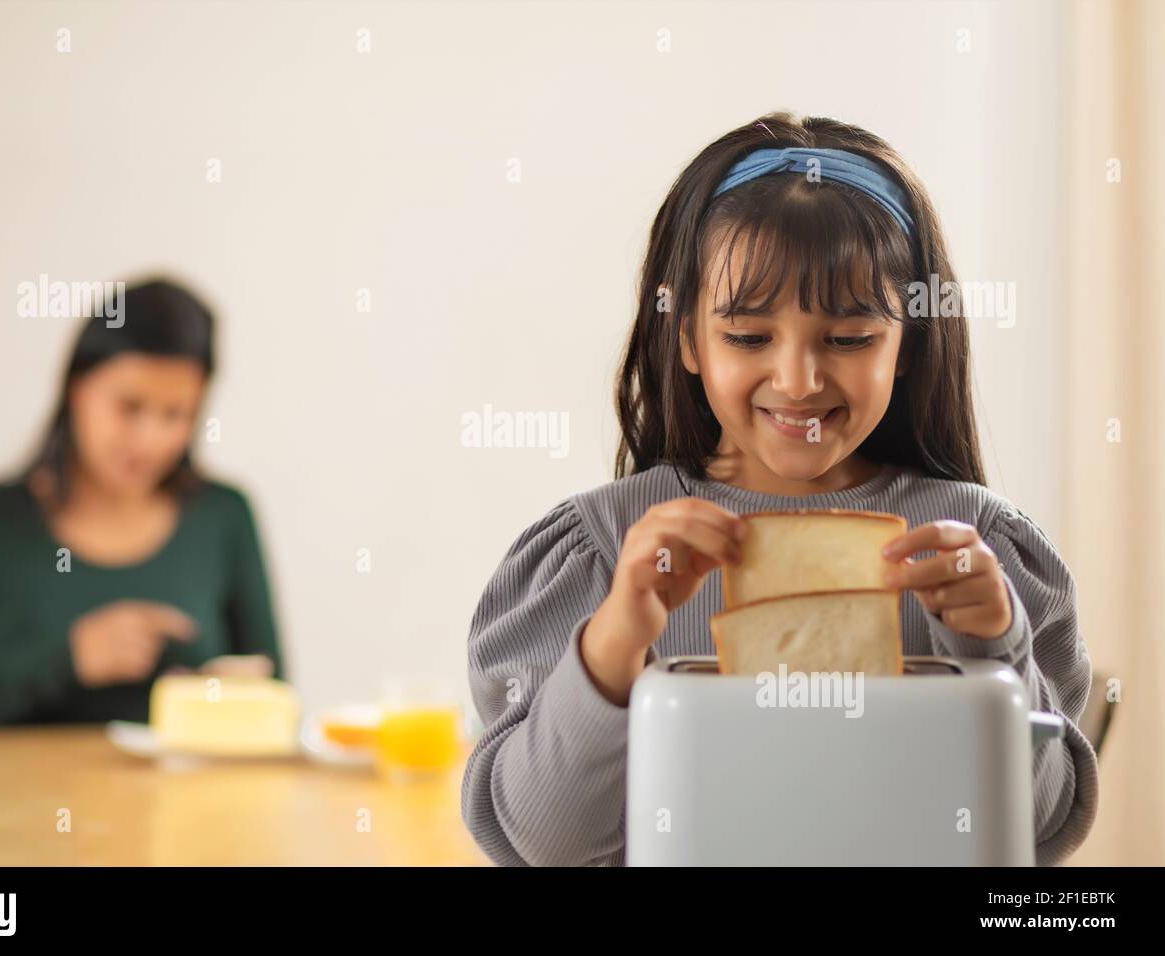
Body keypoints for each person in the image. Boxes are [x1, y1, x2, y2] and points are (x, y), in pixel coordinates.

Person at [461, 113, 1097, 866]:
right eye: (749, 337)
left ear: (909, 341)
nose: (798, 380)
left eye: (851, 338)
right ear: (689, 337)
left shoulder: (982, 556)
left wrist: (995, 646)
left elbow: (1035, 831)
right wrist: (615, 641)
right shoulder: (598, 554)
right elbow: (547, 843)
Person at [0, 279, 283, 728]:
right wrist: (67, 662)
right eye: (129, 406)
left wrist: (220, 693)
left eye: (176, 414)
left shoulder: (225, 516)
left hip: (190, 798)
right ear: (77, 388)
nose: (149, 440)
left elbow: (279, 707)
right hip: (16, 799)